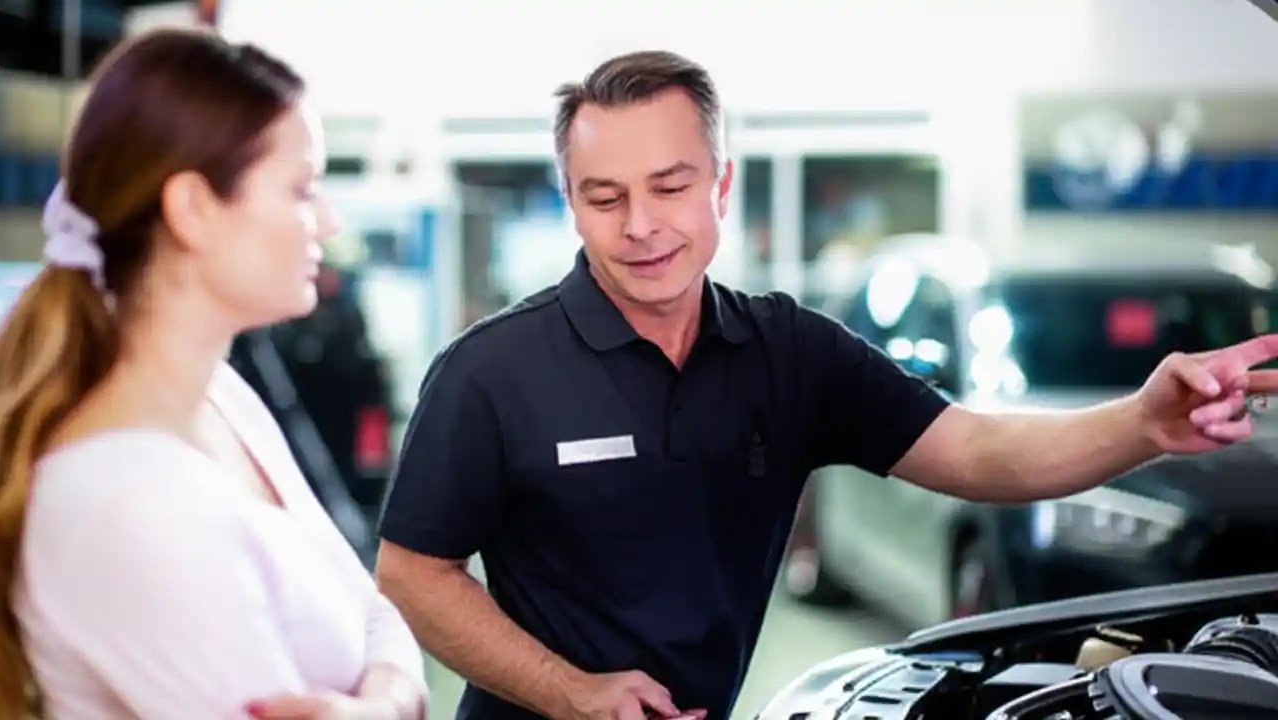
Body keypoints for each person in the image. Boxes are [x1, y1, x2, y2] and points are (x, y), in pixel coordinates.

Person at [373, 50, 1278, 720]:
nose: (641, 226)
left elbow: (978, 449)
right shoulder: (492, 371)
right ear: (571, 201)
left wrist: (1143, 424)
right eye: (605, 198)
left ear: (721, 186)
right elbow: (413, 572)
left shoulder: (788, 354)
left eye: (671, 186)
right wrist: (571, 694)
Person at [0, 28, 428, 720]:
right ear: (193, 208)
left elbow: (378, 611)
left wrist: (382, 704)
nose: (327, 218)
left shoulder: (223, 400)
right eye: (301, 188)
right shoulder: (125, 502)